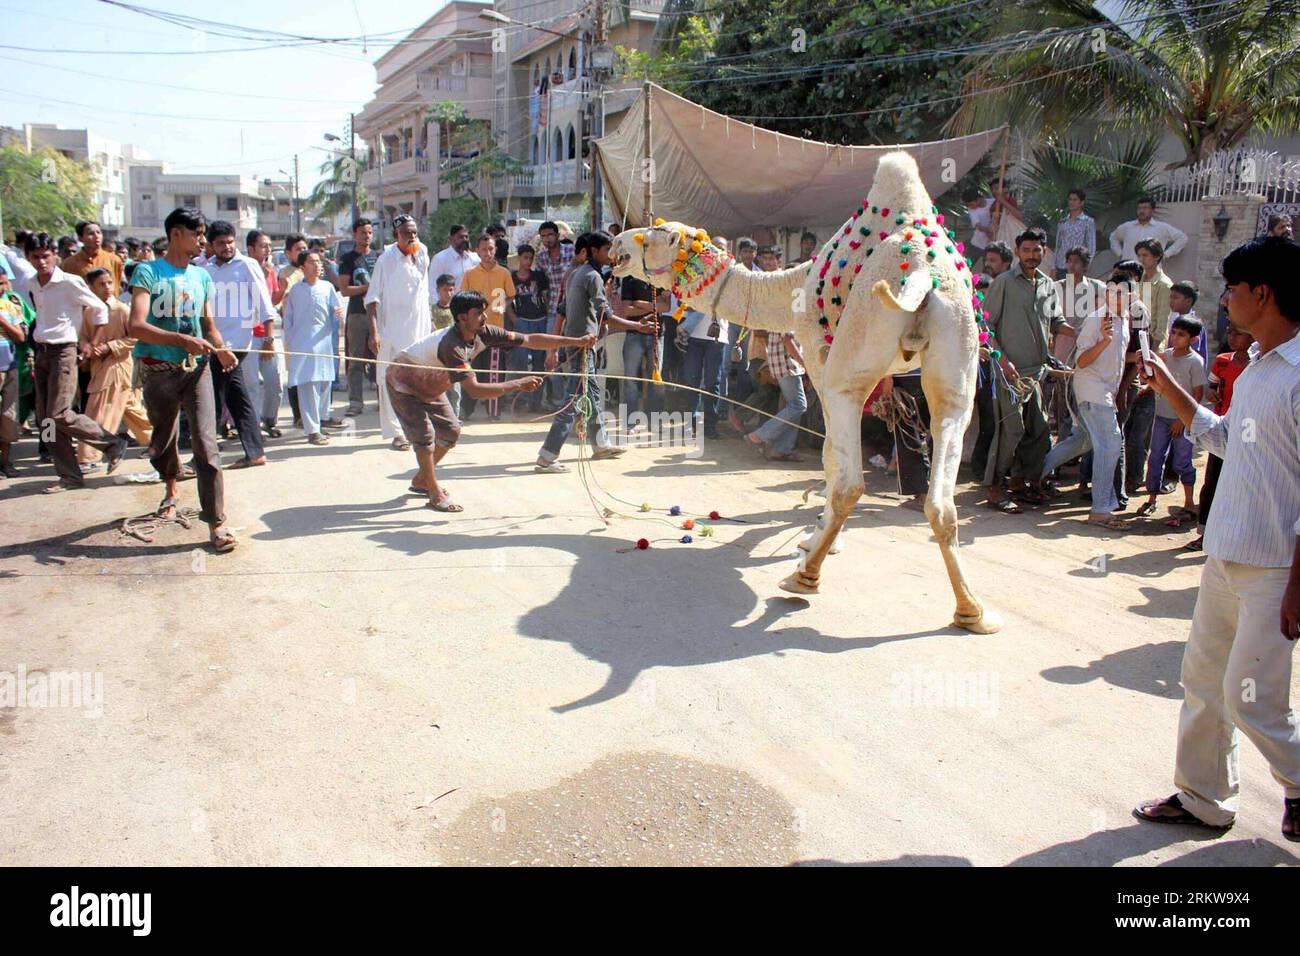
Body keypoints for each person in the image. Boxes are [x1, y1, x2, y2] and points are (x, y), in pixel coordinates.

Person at [1133, 235, 1300, 840]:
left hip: (1277, 569)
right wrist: (1165, 386)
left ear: (1263, 293)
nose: (1224, 299)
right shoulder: (1257, 366)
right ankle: (1202, 797)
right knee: (1203, 683)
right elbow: (1223, 437)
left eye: (1232, 289)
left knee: (1253, 699)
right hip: (1226, 554)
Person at [388, 290, 595, 511]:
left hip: (432, 383)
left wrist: (576, 341)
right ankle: (434, 491)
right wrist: (517, 384)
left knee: (451, 431)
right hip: (404, 383)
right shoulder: (452, 346)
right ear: (462, 318)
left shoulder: (484, 333)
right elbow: (475, 391)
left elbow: (529, 340)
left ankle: (422, 479)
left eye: (484, 312)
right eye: (479, 313)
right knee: (425, 437)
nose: (485, 318)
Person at [127, 208, 237, 551]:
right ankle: (170, 484)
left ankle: (216, 523)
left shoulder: (201, 277)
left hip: (197, 370)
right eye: (197, 233)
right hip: (158, 372)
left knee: (207, 445)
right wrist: (179, 340)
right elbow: (136, 326)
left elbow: (208, 327)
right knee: (162, 442)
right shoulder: (147, 273)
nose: (202, 240)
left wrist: (220, 349)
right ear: (176, 234)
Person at [535, 231, 656, 473]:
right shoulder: (592, 277)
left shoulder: (578, 274)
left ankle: (600, 444)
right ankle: (547, 456)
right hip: (581, 346)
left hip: (579, 343)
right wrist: (638, 325)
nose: (610, 254)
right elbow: (606, 316)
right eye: (606, 250)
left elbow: (575, 310)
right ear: (593, 251)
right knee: (572, 401)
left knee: (590, 395)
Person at [24, 232, 127, 491]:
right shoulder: (32, 283)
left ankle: (110, 442)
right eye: (35, 257)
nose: (41, 262)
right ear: (28, 258)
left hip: (64, 352)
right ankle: (68, 475)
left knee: (59, 413)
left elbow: (100, 308)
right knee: (46, 420)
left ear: (54, 256)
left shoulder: (69, 282)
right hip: (42, 352)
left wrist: (93, 343)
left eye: (45, 256)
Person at [1039, 272, 1132, 528]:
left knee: (1084, 441)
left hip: (1102, 392)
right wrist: (1104, 342)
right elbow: (1081, 361)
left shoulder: (1122, 321)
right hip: (1091, 389)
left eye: (1121, 293)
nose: (1115, 297)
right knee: (1110, 444)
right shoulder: (1097, 319)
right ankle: (1101, 508)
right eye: (1112, 293)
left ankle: (1033, 474)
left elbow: (1116, 362)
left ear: (1131, 297)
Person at [981, 229, 1065, 512]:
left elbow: (1056, 323)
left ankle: (1020, 483)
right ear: (1017, 252)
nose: (1031, 255)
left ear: (1044, 252)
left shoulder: (1048, 285)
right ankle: (995, 487)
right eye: (1026, 250)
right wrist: (1002, 360)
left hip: (1037, 372)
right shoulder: (1004, 283)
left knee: (1039, 429)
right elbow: (986, 328)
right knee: (1011, 430)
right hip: (1010, 373)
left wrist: (1093, 332)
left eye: (1037, 250)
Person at [203, 220, 275, 468]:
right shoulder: (206, 269)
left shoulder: (247, 265)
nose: (227, 247)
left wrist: (268, 338)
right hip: (213, 343)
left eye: (230, 242)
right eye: (221, 243)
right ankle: (254, 452)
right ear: (212, 245)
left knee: (210, 397)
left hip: (236, 344)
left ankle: (203, 456)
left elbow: (264, 302)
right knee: (236, 397)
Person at [364, 214, 432, 450]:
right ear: (396, 235)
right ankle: (397, 433)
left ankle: (415, 427)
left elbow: (424, 294)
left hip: (419, 332)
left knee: (417, 382)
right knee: (390, 382)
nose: (412, 236)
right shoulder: (385, 260)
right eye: (406, 233)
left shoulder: (422, 252)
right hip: (391, 333)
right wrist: (374, 333)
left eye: (414, 232)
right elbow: (372, 299)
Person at [76, 267, 151, 471]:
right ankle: (159, 440)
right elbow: (83, 335)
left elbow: (134, 337)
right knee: (130, 409)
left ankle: (89, 456)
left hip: (117, 365)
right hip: (98, 366)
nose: (107, 287)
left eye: (110, 282)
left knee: (100, 411)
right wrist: (85, 346)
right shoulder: (89, 311)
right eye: (101, 284)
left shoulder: (121, 310)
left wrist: (109, 347)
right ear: (91, 287)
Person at [1190, 324, 1253, 551]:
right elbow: (1211, 387)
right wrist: (1212, 393)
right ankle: (1204, 532)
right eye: (1230, 333)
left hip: (1247, 433)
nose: (1232, 337)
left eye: (1239, 333)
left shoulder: (1257, 365)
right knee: (1213, 482)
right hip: (1222, 428)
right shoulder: (1223, 360)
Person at [1136, 315, 1206, 520]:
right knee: (1156, 457)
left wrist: (1182, 420)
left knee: (1183, 461)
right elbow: (1159, 381)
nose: (1175, 337)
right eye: (1173, 332)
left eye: (1181, 334)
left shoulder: (1195, 361)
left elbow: (1198, 393)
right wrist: (1147, 387)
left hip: (1184, 421)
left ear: (1192, 339)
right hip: (1162, 416)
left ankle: (1188, 502)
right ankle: (1151, 499)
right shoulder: (1165, 356)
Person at [282, 251, 345, 446]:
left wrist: (339, 314)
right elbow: (288, 320)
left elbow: (337, 313)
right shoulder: (296, 291)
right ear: (302, 267)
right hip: (303, 344)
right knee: (308, 385)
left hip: (324, 343)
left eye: (318, 262)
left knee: (325, 381)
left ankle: (323, 417)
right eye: (312, 262)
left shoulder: (327, 288)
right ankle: (312, 429)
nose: (317, 265)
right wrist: (291, 343)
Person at [744, 331, 807, 462]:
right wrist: (804, 363)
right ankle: (759, 435)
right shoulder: (791, 312)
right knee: (799, 405)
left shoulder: (783, 312)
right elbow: (787, 341)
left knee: (794, 407)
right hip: (787, 364)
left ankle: (782, 449)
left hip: (781, 362)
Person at [243, 230, 283, 437]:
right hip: (247, 336)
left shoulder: (270, 271)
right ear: (250, 248)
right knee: (251, 384)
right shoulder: (241, 270)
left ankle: (270, 419)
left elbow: (272, 302)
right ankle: (254, 426)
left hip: (266, 334)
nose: (267, 249)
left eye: (269, 246)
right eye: (263, 246)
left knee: (274, 381)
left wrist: (282, 288)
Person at [337, 219, 378, 418]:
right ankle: (355, 401)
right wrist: (368, 289)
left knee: (381, 358)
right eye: (363, 232)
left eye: (369, 232)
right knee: (355, 360)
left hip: (379, 315)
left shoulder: (380, 258)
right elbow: (345, 290)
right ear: (355, 234)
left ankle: (383, 400)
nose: (367, 236)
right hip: (357, 314)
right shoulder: (347, 259)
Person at [507, 244, 551, 414]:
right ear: (519, 258)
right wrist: (515, 320)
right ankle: (522, 399)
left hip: (540, 320)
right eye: (525, 257)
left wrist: (547, 318)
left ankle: (537, 401)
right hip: (522, 322)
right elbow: (508, 303)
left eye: (531, 258)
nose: (528, 261)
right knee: (521, 361)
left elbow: (546, 298)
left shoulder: (539, 277)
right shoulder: (511, 278)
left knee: (540, 362)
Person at [0, 270, 35, 477]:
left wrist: (4, 323)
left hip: (10, 366)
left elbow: (21, 336)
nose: (3, 288)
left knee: (9, 415)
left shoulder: (11, 306)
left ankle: (6, 462)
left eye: (4, 283)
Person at [1109, 196, 1188, 262]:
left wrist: (1166, 254)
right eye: (1139, 208)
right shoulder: (1127, 227)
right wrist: (1119, 253)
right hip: (1128, 271)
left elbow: (1182, 238)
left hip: (1149, 275)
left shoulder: (1162, 228)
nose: (1142, 211)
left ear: (1152, 210)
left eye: (1145, 208)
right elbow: (1113, 237)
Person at [60, 221, 124, 297]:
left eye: (98, 232)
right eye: (91, 234)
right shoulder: (69, 264)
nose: (96, 236)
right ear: (80, 238)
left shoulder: (114, 260)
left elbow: (116, 286)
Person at [427, 223, 479, 295]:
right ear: (450, 239)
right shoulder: (440, 259)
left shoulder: (475, 258)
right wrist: (440, 306)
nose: (464, 240)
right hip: (450, 305)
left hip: (472, 304)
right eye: (460, 237)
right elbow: (432, 287)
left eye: (466, 237)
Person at [1054, 189, 1096, 277]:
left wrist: (1085, 266)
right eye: (1070, 199)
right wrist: (1053, 267)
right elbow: (1058, 246)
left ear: (1081, 202)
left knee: (1071, 290)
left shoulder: (1088, 222)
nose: (1072, 202)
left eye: (1075, 200)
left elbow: (1091, 246)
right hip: (1061, 265)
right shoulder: (1063, 222)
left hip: (1076, 267)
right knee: (1059, 290)